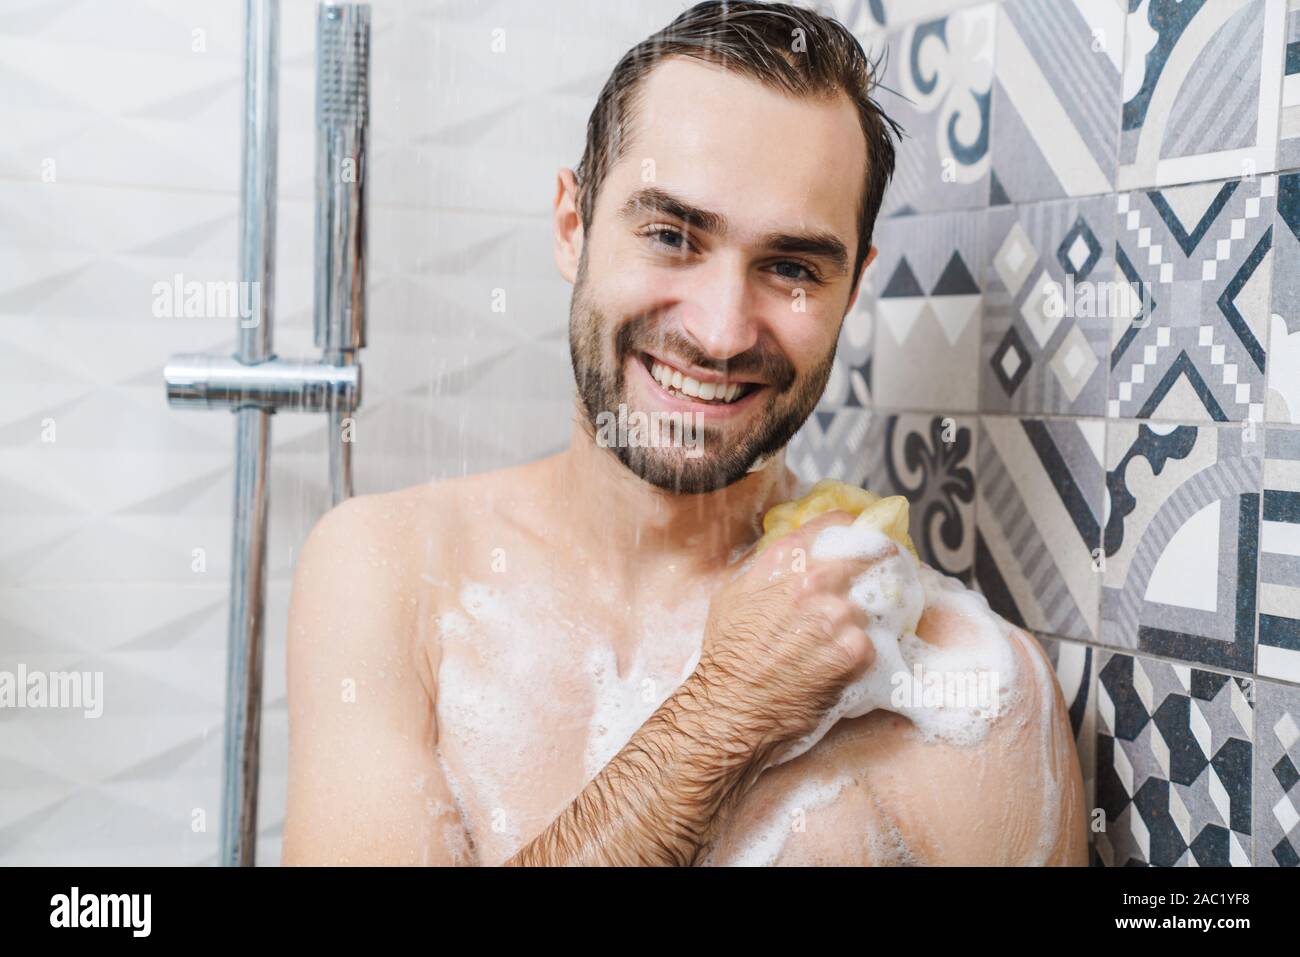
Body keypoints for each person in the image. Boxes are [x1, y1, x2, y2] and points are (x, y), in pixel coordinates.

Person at [281, 0, 1087, 866]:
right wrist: (724, 711)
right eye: (670, 234)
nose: (720, 331)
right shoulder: (390, 570)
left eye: (789, 267)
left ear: (851, 293)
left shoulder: (967, 690)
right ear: (573, 225)